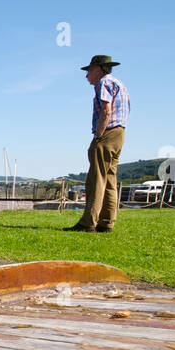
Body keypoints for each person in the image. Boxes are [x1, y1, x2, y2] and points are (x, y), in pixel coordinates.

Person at [66, 55, 130, 233]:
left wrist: (99, 134)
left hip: (108, 132)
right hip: (119, 132)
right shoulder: (120, 84)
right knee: (110, 178)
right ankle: (107, 222)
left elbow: (106, 110)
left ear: (100, 69)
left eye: (90, 71)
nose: (87, 76)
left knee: (96, 178)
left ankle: (88, 222)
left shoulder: (104, 83)